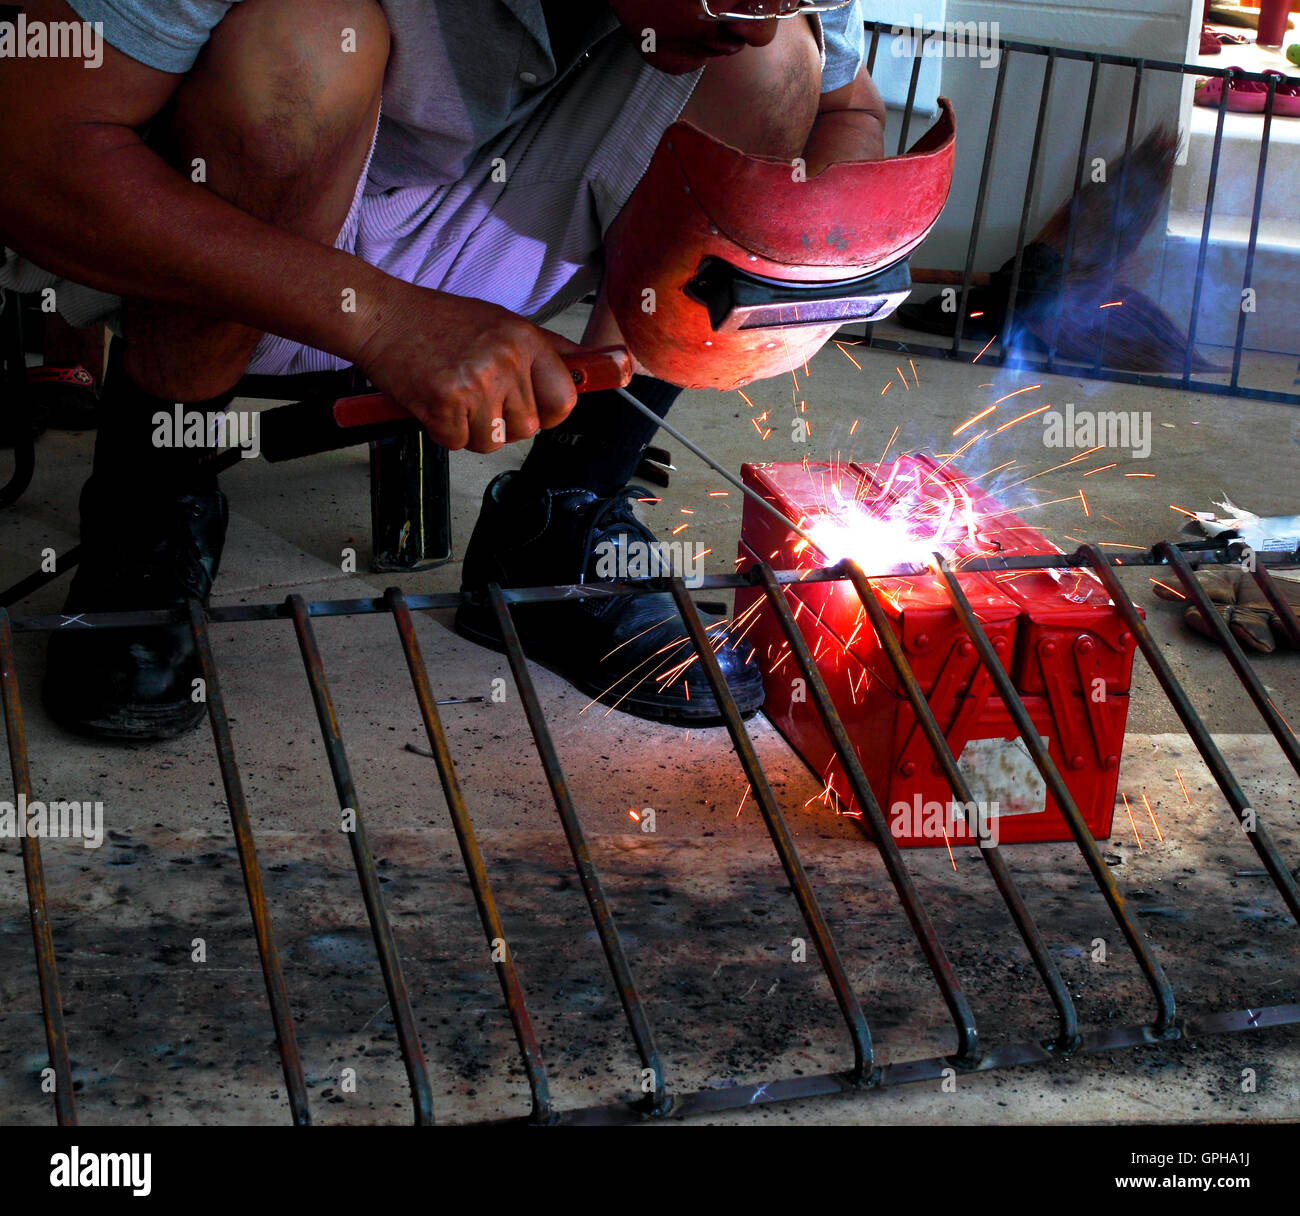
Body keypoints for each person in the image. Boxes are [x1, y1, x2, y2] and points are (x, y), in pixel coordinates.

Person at [0, 0, 885, 738]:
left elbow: (850, 108)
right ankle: (149, 502)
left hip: (495, 232)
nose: (755, 22)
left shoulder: (754, 20)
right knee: (303, 37)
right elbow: (29, 155)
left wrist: (806, 248)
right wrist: (384, 318)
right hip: (227, 246)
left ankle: (561, 524)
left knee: (776, 78)